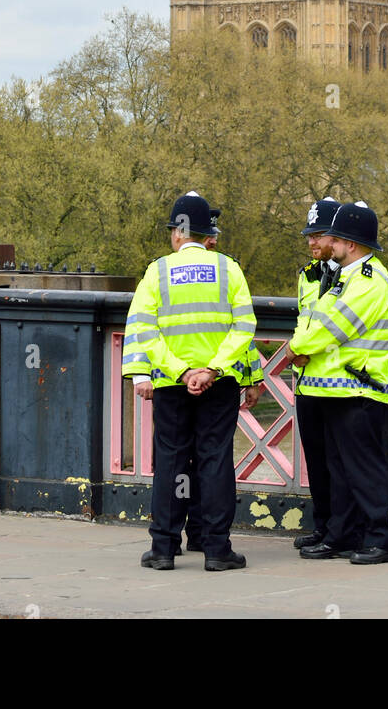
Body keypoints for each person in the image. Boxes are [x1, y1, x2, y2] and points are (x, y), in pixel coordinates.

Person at [122, 190, 257, 571]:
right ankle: (216, 549)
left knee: (171, 462)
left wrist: (181, 371)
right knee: (214, 462)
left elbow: (144, 330)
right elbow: (244, 327)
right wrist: (211, 369)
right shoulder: (230, 269)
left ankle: (163, 548)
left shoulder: (157, 272)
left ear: (178, 233)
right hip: (219, 384)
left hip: (171, 385)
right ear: (204, 232)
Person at [287, 201, 388, 564]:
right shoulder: (347, 276)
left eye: (335, 238)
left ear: (350, 243)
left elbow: (333, 327)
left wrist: (296, 349)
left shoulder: (369, 280)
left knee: (364, 470)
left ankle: (382, 540)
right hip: (338, 387)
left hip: (359, 388)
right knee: (341, 469)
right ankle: (343, 536)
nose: (329, 244)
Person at [292, 196, 350, 553]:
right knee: (316, 460)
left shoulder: (354, 274)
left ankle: (339, 534)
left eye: (319, 234)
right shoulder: (307, 275)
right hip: (309, 382)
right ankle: (323, 525)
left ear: (338, 237)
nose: (312, 242)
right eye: (309, 235)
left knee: (339, 463)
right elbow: (304, 319)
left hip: (342, 382)